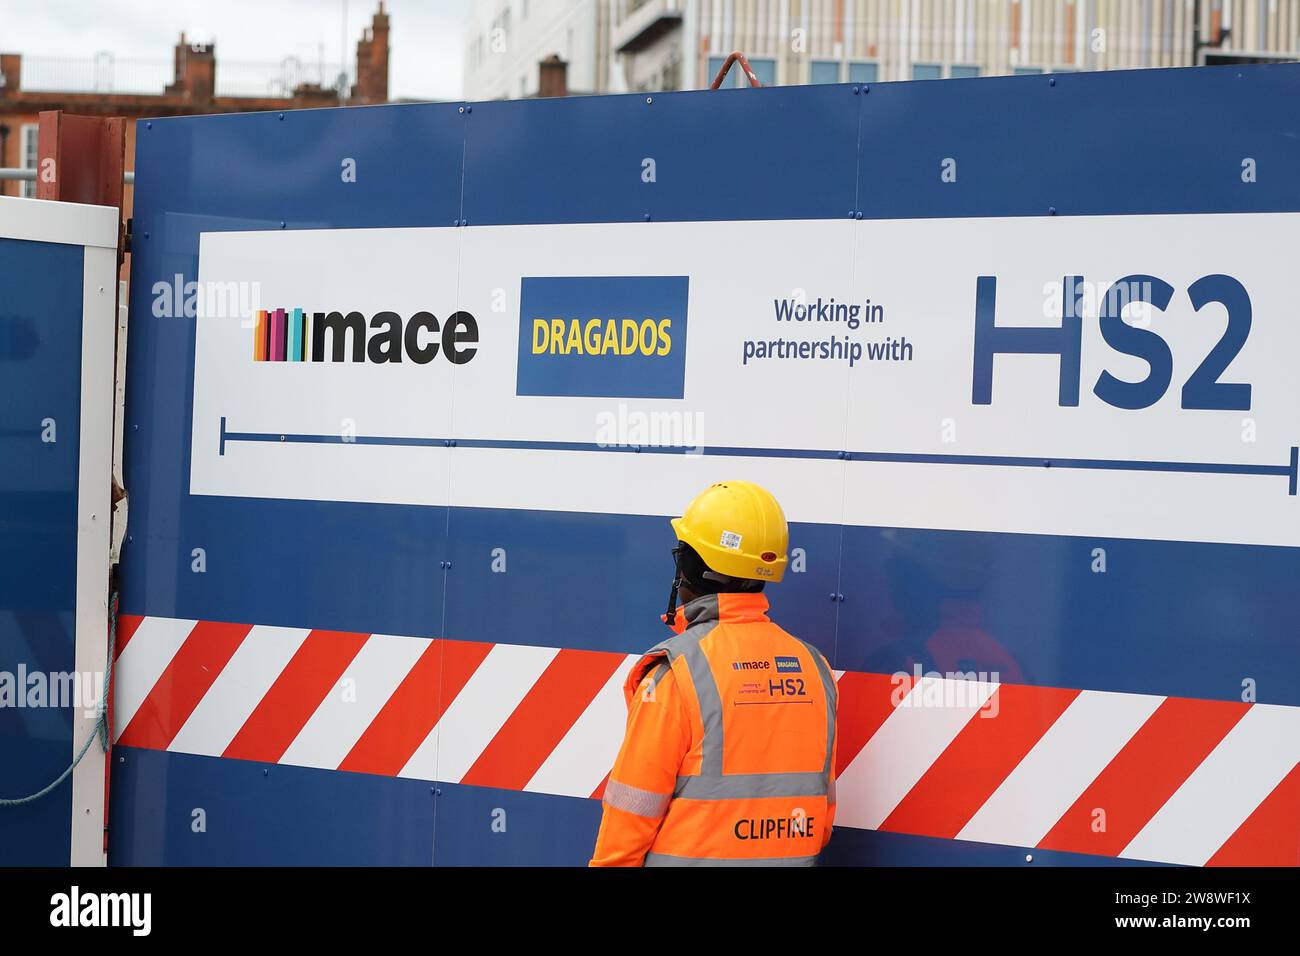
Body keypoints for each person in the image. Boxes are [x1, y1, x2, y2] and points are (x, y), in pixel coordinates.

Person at [589, 480, 839, 866]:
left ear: (690, 568)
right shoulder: (813, 667)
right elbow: (821, 817)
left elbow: (631, 813)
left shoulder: (677, 673)